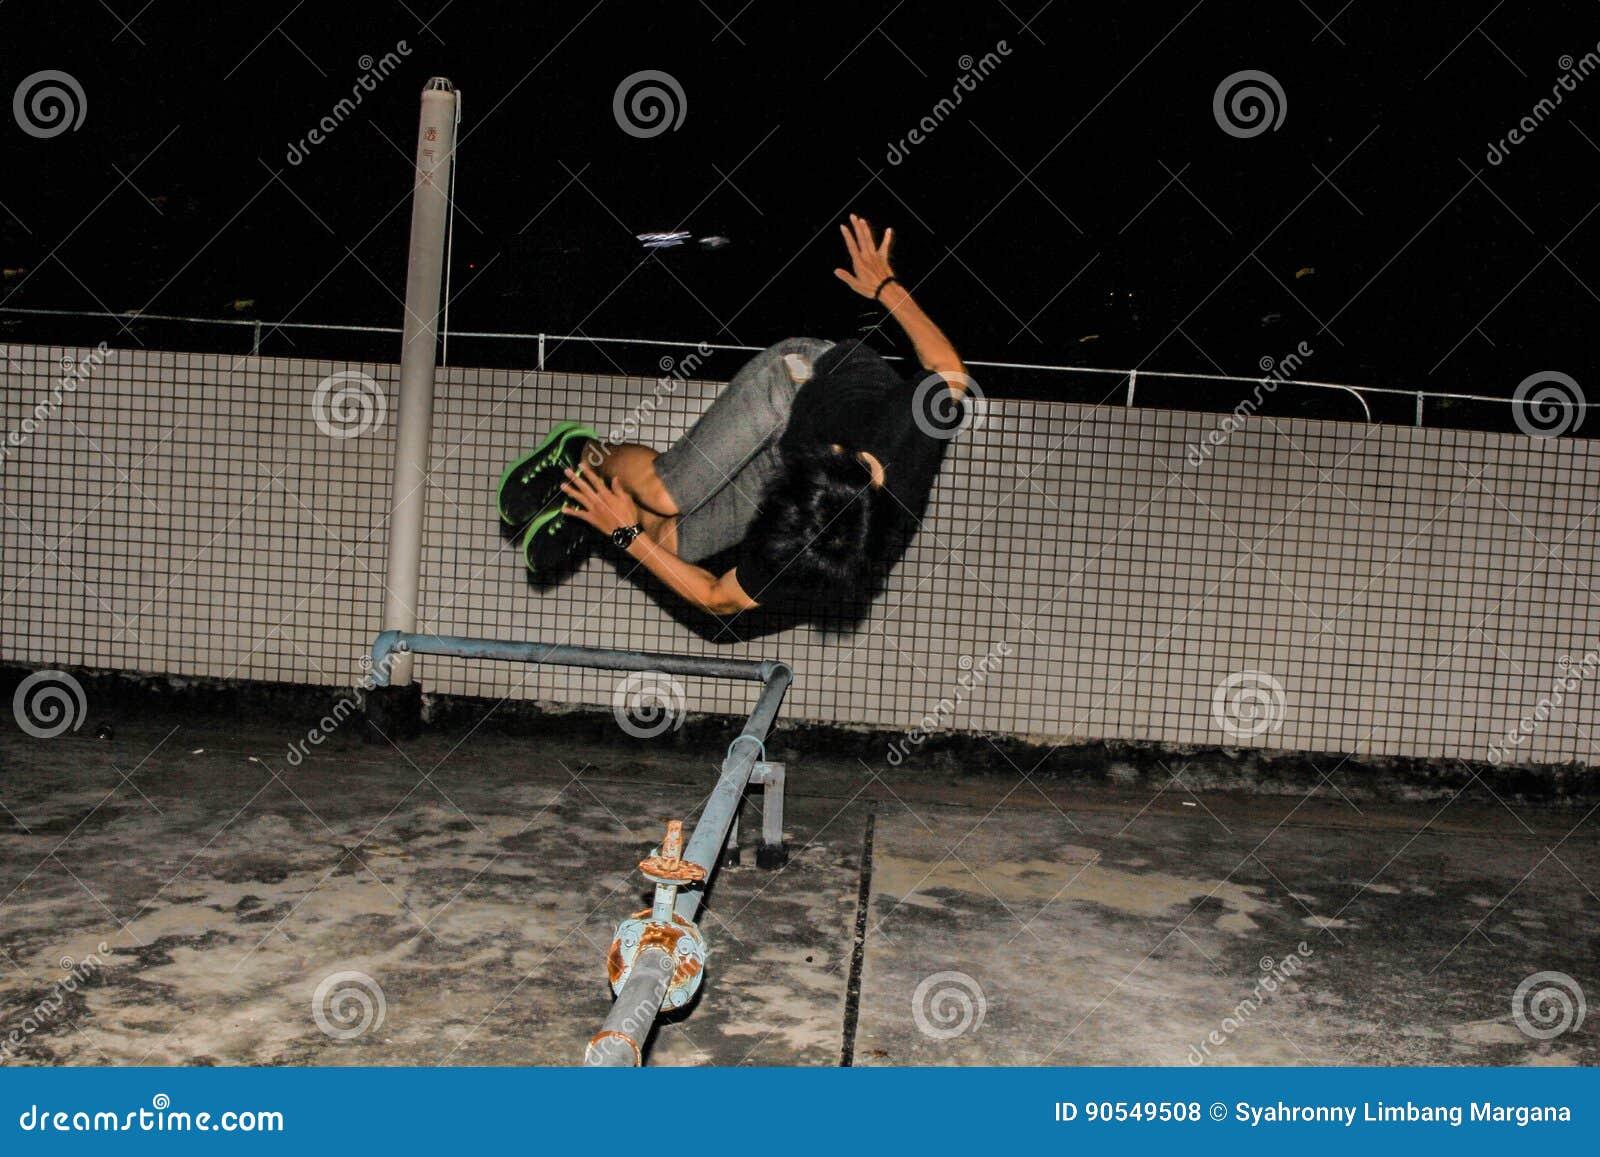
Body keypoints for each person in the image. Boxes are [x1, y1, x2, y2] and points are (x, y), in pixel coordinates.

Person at [497, 215, 970, 618]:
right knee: (667, 493)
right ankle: (581, 452)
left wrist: (626, 535)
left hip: (800, 453)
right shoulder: (905, 437)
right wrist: (886, 287)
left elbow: (717, 597)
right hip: (799, 383)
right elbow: (950, 372)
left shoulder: (817, 555)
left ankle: (594, 505)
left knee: (671, 543)